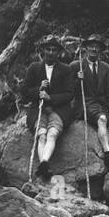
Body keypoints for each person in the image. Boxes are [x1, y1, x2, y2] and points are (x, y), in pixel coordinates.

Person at [19, 36, 74, 178]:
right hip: (39, 109)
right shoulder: (34, 68)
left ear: (58, 52)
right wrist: (39, 90)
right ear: (43, 50)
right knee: (41, 135)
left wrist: (51, 98)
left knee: (52, 133)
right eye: (48, 49)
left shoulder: (65, 70)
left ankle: (43, 163)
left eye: (54, 50)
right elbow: (25, 92)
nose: (50, 53)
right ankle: (45, 165)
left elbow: (69, 94)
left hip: (59, 110)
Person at [74, 35, 109, 162]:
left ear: (100, 50)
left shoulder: (105, 67)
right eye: (91, 46)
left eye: (97, 47)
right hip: (85, 105)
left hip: (102, 106)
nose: (94, 49)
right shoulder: (76, 66)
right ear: (86, 48)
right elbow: (69, 89)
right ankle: (107, 153)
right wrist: (77, 80)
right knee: (102, 119)